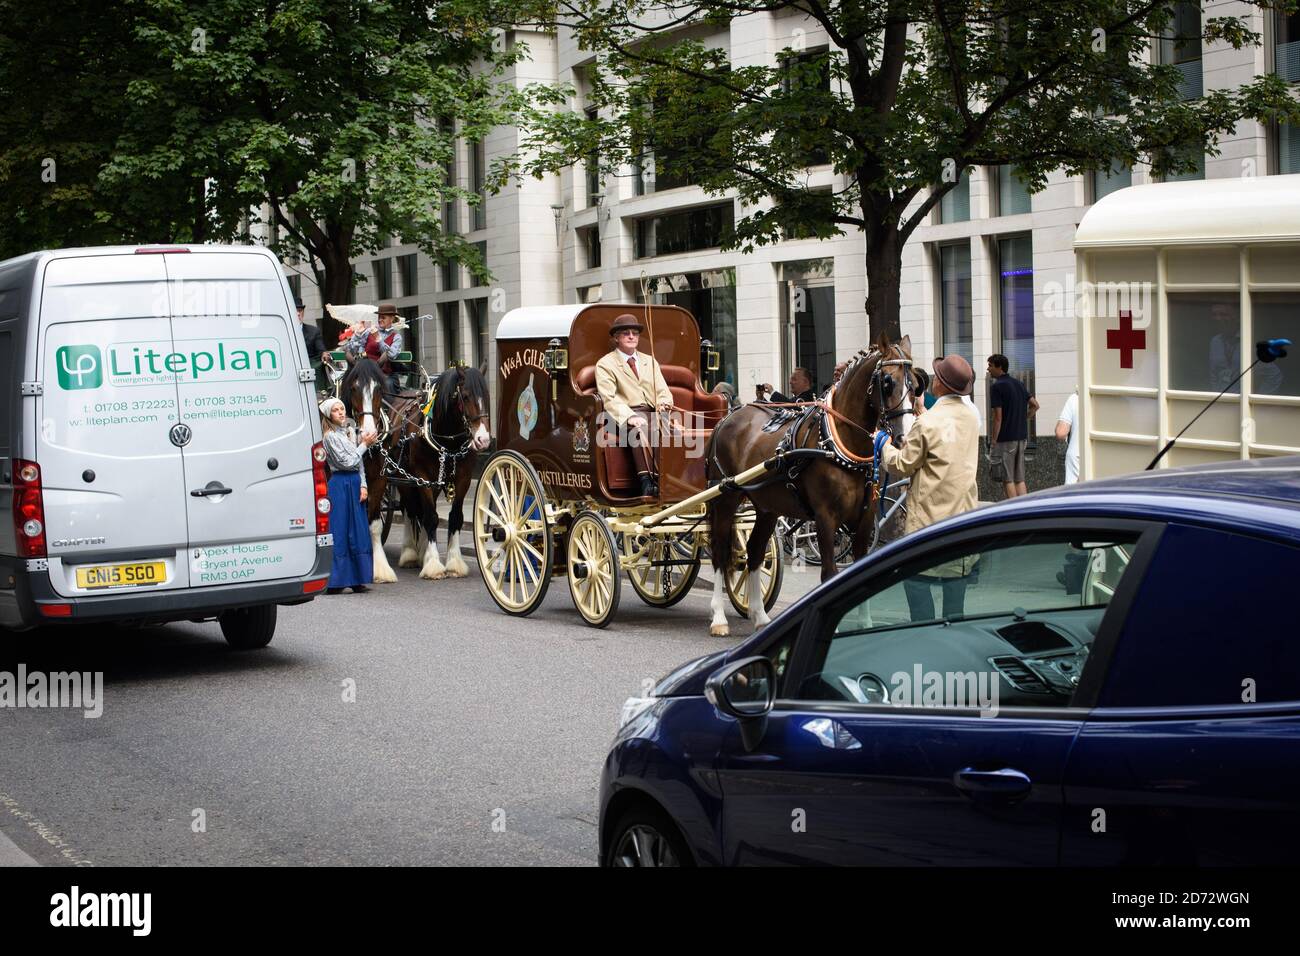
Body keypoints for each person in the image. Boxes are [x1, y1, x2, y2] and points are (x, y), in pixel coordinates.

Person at [875, 354, 981, 621]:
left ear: (941, 385)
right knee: (955, 612)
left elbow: (902, 464)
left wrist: (881, 444)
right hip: (963, 527)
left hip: (927, 531)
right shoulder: (971, 417)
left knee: (921, 612)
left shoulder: (928, 423)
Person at [594, 313, 673, 498]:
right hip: (620, 417)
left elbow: (663, 390)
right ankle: (647, 481)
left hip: (653, 412)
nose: (631, 336)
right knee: (640, 428)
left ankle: (675, 479)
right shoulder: (605, 364)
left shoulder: (649, 361)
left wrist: (663, 404)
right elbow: (609, 398)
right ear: (616, 338)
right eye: (626, 333)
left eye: (635, 333)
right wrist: (630, 416)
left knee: (677, 431)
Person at [320, 397, 378, 594]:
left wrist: (363, 485)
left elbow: (359, 464)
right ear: (329, 415)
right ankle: (336, 581)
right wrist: (364, 445)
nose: (341, 412)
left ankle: (357, 578)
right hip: (339, 484)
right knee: (341, 529)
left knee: (358, 530)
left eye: (342, 409)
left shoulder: (348, 433)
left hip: (353, 483)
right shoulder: (329, 437)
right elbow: (347, 461)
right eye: (336, 410)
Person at [987, 353, 1039, 499]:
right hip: (1021, 438)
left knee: (1007, 478)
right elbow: (1035, 405)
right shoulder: (1019, 384)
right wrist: (1023, 418)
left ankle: (1014, 513)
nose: (988, 369)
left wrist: (994, 441)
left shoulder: (997, 387)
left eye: (990, 365)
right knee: (1019, 478)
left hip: (1005, 439)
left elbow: (998, 417)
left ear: (999, 367)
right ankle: (1026, 510)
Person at [347, 303, 405, 394]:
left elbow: (391, 355)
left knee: (387, 384)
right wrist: (357, 335)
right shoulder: (368, 332)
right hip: (365, 372)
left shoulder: (396, 337)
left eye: (383, 317)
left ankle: (385, 408)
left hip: (384, 374)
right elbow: (356, 349)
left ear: (392, 318)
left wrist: (379, 339)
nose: (380, 320)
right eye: (379, 317)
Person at [296, 297, 327, 393]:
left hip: (310, 365)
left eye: (300, 310)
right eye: (295, 310)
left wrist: (324, 354)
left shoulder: (313, 331)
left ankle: (319, 393)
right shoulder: (282, 332)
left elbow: (321, 349)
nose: (297, 313)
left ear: (303, 312)